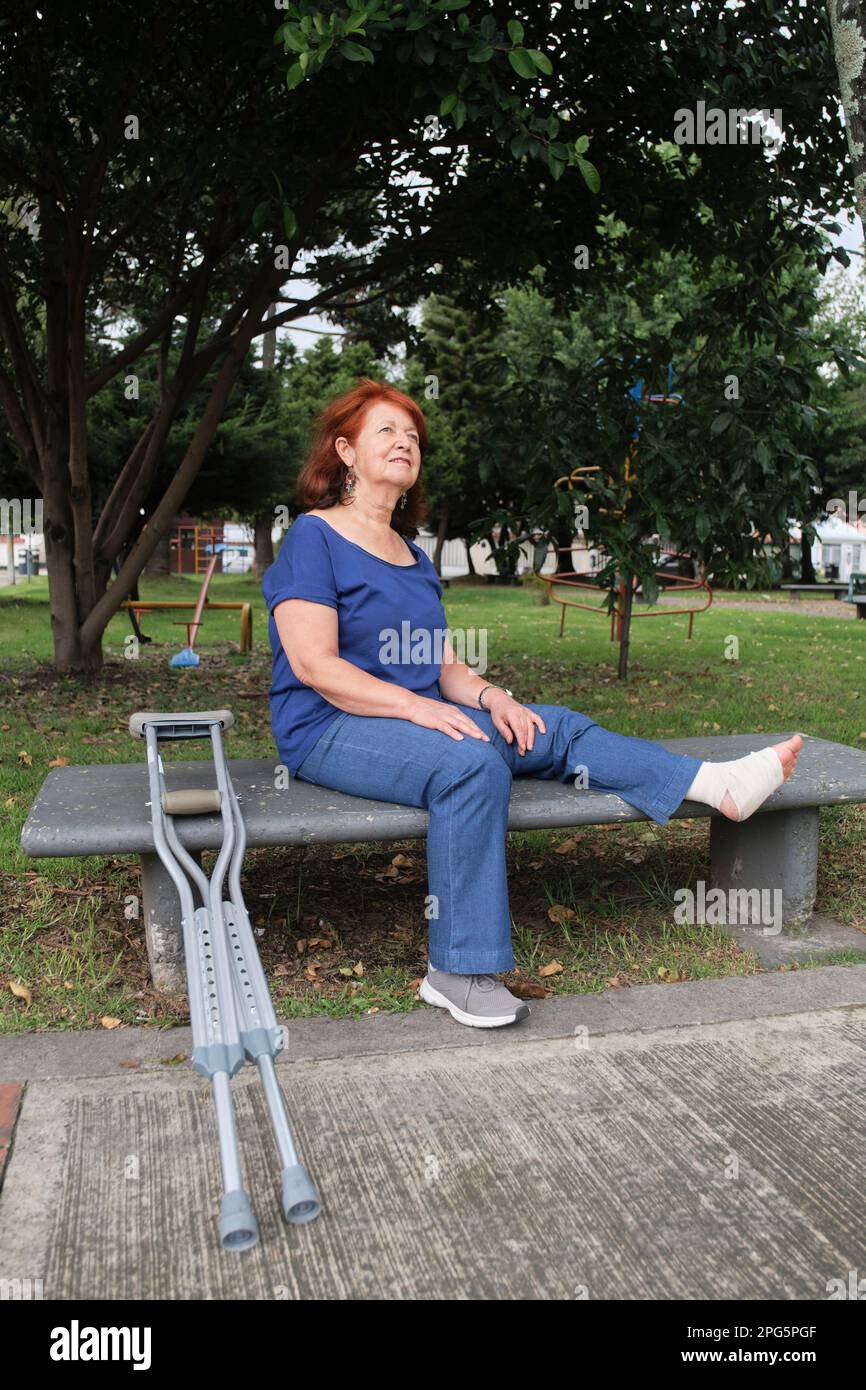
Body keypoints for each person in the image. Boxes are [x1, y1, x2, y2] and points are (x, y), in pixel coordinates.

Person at [263, 378, 803, 1030]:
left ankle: (717, 785)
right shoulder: (313, 539)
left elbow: (442, 664)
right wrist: (416, 709)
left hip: (418, 716)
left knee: (552, 727)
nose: (406, 443)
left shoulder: (411, 553)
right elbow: (316, 665)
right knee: (468, 764)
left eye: (413, 436)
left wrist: (495, 699)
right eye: (387, 432)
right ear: (345, 451)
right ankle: (457, 970)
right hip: (329, 723)